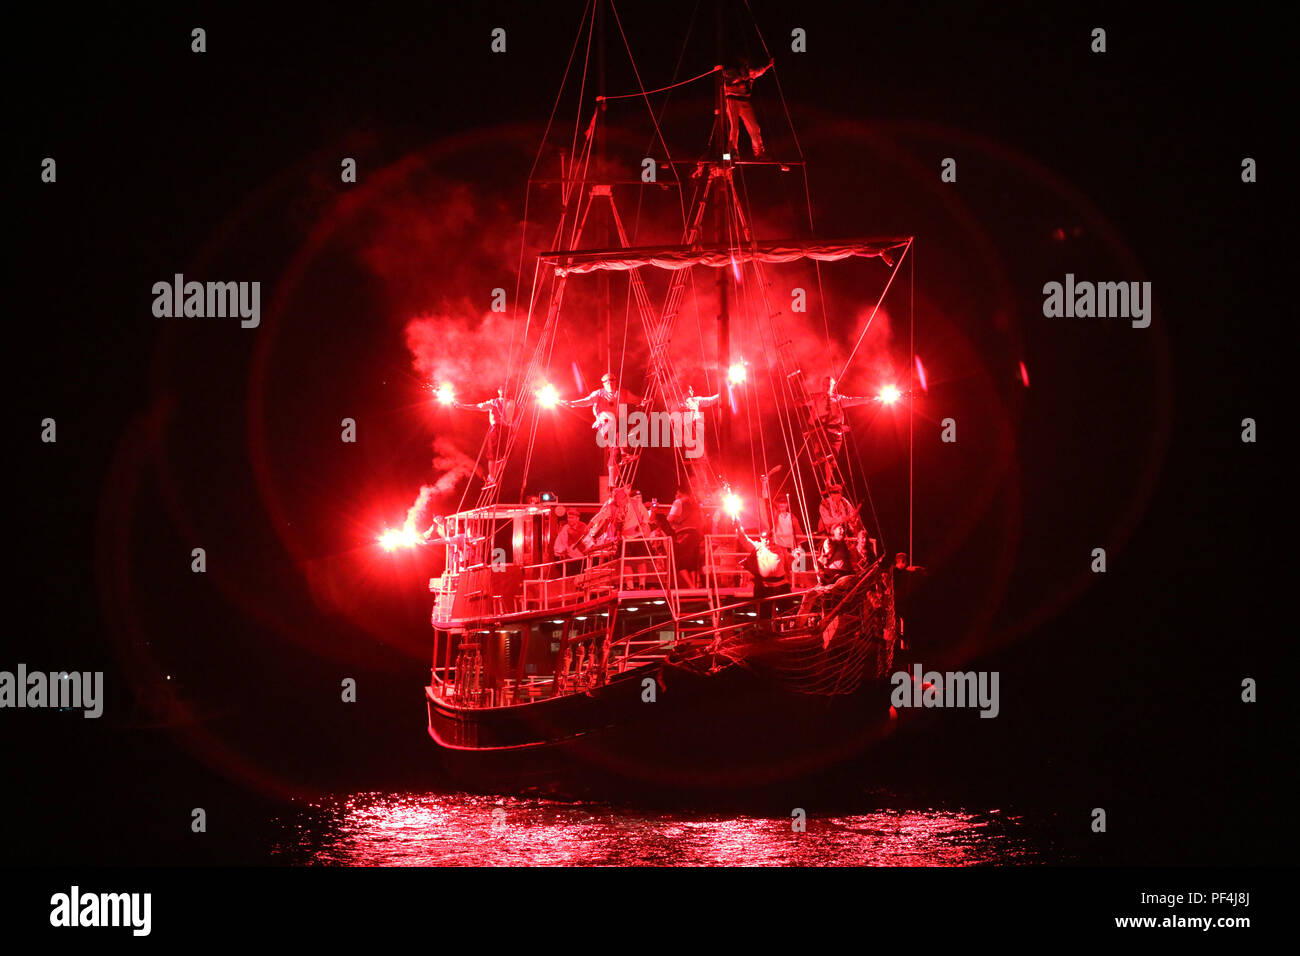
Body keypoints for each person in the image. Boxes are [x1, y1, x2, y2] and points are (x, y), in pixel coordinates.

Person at [562, 372, 643, 488]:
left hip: (618, 424)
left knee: (616, 448)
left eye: (612, 381)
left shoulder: (622, 393)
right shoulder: (598, 394)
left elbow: (635, 400)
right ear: (603, 383)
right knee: (614, 445)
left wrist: (643, 400)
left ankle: (621, 462)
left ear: (615, 381)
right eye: (607, 382)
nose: (610, 384)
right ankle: (621, 459)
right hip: (605, 423)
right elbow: (586, 401)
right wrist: (571, 403)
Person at [808, 376, 871, 483]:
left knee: (832, 460)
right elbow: (804, 402)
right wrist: (799, 401)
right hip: (822, 430)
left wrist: (870, 399)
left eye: (829, 385)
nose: (826, 387)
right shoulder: (816, 398)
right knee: (819, 439)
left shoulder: (838, 399)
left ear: (833, 386)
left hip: (836, 432)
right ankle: (818, 450)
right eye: (824, 385)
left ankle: (827, 481)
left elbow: (853, 401)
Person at [453, 386, 516, 486]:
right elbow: (477, 407)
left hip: (508, 430)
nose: (504, 391)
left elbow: (515, 415)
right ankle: (491, 477)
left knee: (506, 455)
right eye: (501, 389)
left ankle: (494, 475)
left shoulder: (512, 402)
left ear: (508, 390)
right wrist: (462, 406)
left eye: (505, 389)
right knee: (492, 453)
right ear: (498, 391)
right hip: (497, 428)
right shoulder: (493, 402)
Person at [722, 56, 774, 158]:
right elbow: (727, 78)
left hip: (744, 101)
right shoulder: (731, 72)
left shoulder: (750, 73)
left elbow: (760, 71)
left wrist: (769, 65)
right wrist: (740, 78)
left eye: (747, 66)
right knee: (734, 126)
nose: (746, 68)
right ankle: (732, 150)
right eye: (744, 66)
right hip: (732, 100)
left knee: (754, 127)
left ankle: (758, 151)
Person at [737, 525, 792, 622]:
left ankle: (789, 629)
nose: (768, 541)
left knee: (788, 612)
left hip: (781, 584)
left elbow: (788, 563)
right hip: (765, 586)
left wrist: (796, 556)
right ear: (761, 539)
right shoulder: (757, 547)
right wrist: (738, 526)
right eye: (765, 539)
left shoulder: (781, 548)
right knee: (764, 614)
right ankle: (765, 633)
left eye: (769, 538)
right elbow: (744, 540)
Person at [667, 486, 705, 587]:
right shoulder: (696, 504)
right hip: (695, 535)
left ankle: (691, 586)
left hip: (684, 535)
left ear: (680, 493)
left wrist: (673, 521)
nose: (675, 495)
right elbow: (702, 521)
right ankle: (695, 585)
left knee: (679, 562)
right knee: (691, 563)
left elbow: (670, 518)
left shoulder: (678, 502)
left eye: (676, 493)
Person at [679, 385, 720, 459]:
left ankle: (703, 456)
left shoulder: (695, 400)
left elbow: (709, 400)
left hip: (696, 425)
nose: (693, 391)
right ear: (684, 391)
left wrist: (720, 395)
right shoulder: (679, 402)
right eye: (690, 390)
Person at [551, 508, 589, 576]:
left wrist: (572, 532)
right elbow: (560, 542)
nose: (569, 520)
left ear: (577, 518)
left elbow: (583, 542)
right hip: (567, 559)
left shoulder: (583, 527)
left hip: (580, 559)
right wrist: (560, 552)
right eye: (568, 518)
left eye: (572, 518)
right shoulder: (565, 527)